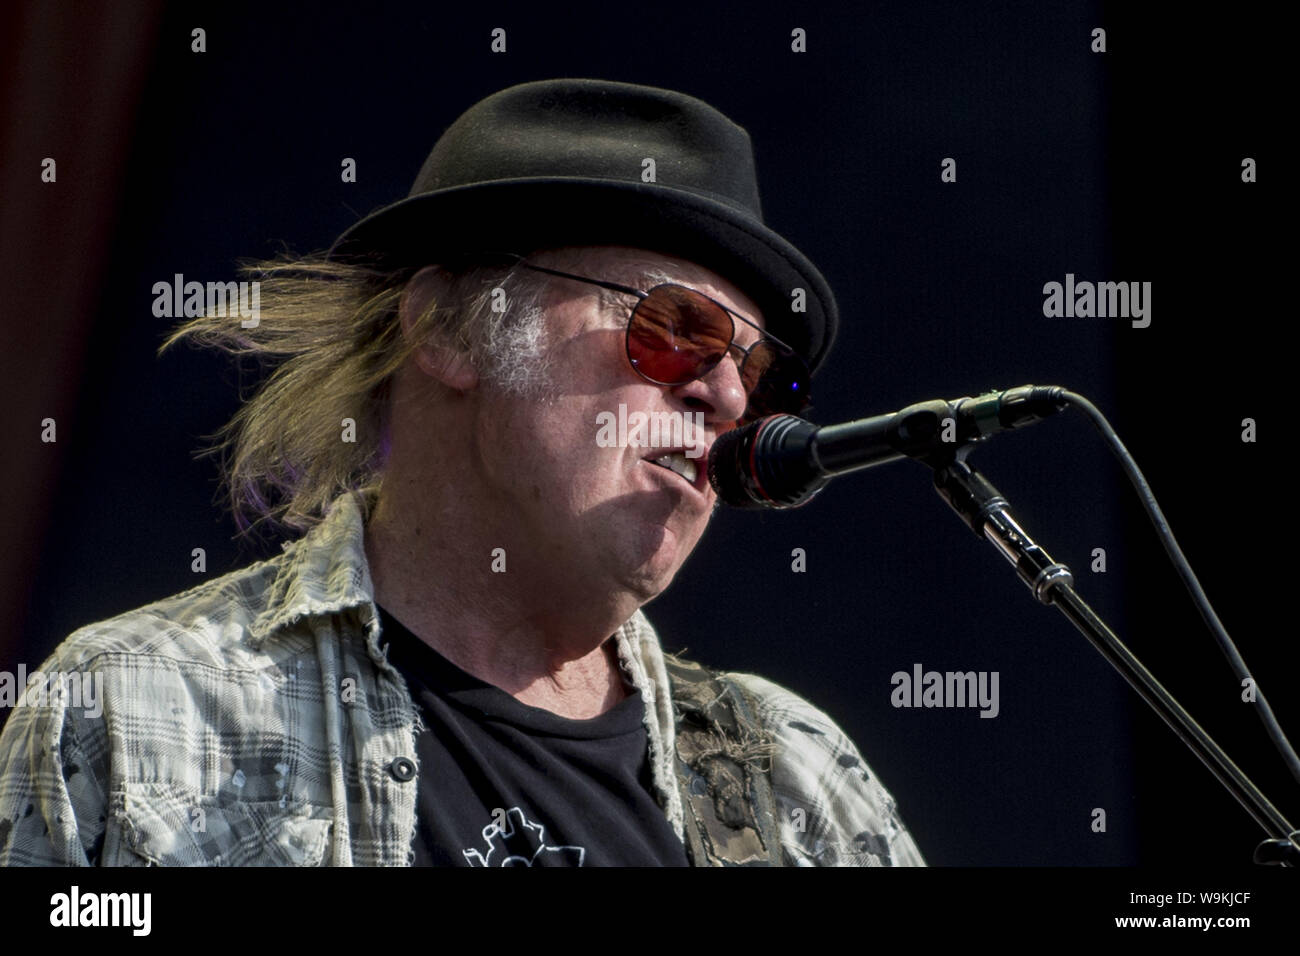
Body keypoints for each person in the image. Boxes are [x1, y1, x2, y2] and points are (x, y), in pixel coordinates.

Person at [0, 78, 924, 867]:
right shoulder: (132, 708)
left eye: (761, 377)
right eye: (678, 331)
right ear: (448, 329)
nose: (726, 397)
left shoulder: (799, 781)